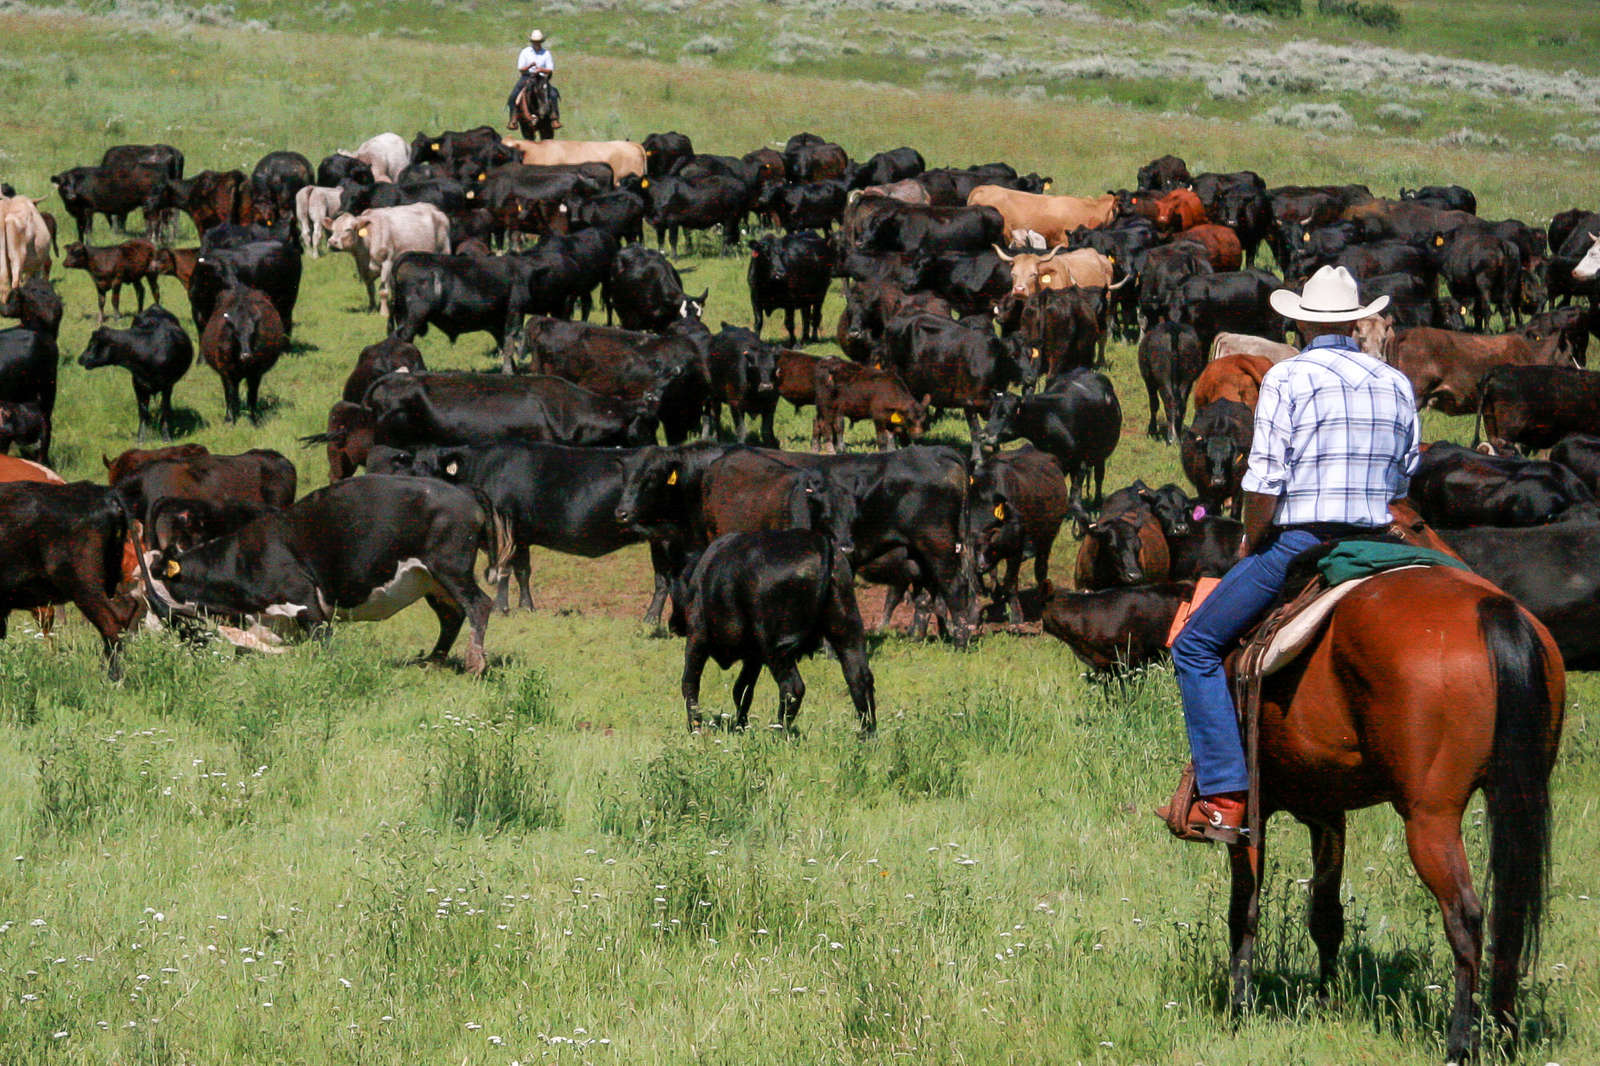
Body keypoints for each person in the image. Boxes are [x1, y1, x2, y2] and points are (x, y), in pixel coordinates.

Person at [1159, 265, 1420, 843]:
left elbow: (1264, 481)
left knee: (1197, 645)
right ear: (1358, 321)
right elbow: (1406, 475)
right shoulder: (1395, 382)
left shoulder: (1286, 378)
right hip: (1381, 541)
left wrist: (1254, 537)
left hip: (1304, 542)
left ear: (1300, 323)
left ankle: (1225, 796)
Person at [507, 29, 561, 130]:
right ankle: (513, 120)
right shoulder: (525, 52)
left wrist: (541, 69)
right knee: (514, 95)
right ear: (532, 42)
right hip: (527, 77)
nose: (536, 44)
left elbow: (550, 69)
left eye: (538, 42)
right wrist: (529, 66)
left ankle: (554, 118)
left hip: (541, 78)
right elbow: (521, 69)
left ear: (541, 42)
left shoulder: (546, 53)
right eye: (535, 42)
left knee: (553, 94)